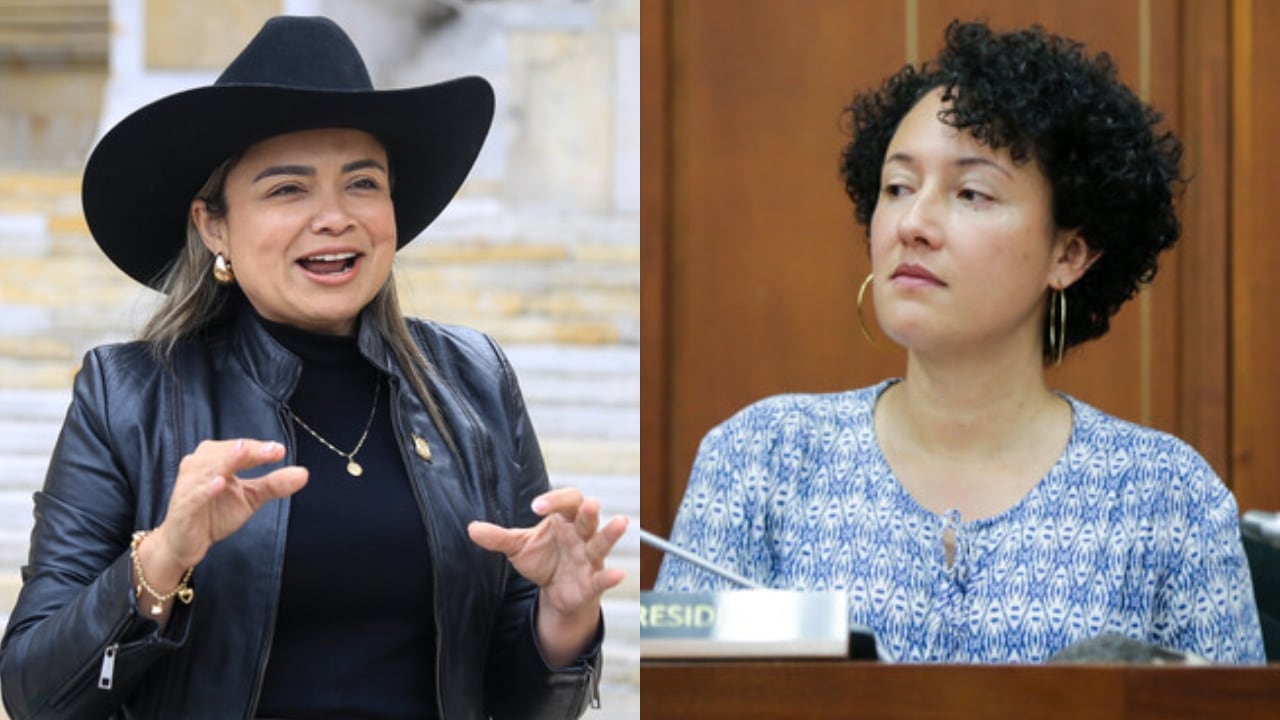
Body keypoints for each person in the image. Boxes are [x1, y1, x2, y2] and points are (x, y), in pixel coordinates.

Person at [0, 15, 627, 719]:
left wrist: (562, 617)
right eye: (288, 189)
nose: (334, 217)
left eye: (362, 183)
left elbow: (519, 702)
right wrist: (164, 558)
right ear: (214, 225)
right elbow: (33, 694)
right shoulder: (127, 398)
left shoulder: (475, 382)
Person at [655, 20, 1265, 664]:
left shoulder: (1167, 497)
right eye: (897, 188)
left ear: (1069, 252)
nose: (913, 224)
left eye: (971, 192)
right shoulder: (759, 459)